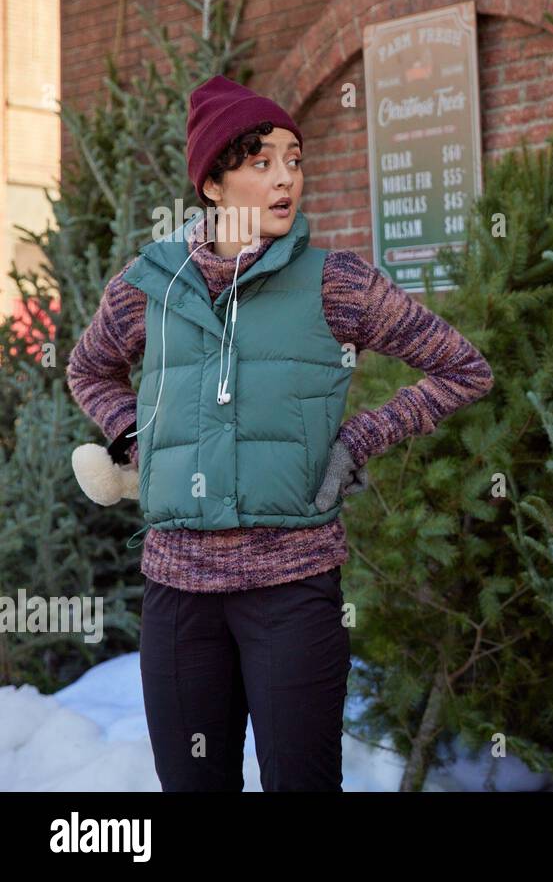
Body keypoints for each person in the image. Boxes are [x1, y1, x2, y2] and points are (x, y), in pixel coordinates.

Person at [65, 74, 495, 790]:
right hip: (177, 598)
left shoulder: (338, 283)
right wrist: (142, 441)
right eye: (260, 162)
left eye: (293, 159)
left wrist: (359, 440)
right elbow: (88, 370)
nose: (285, 178)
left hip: (292, 593)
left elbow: (463, 367)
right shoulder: (150, 285)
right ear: (212, 183)